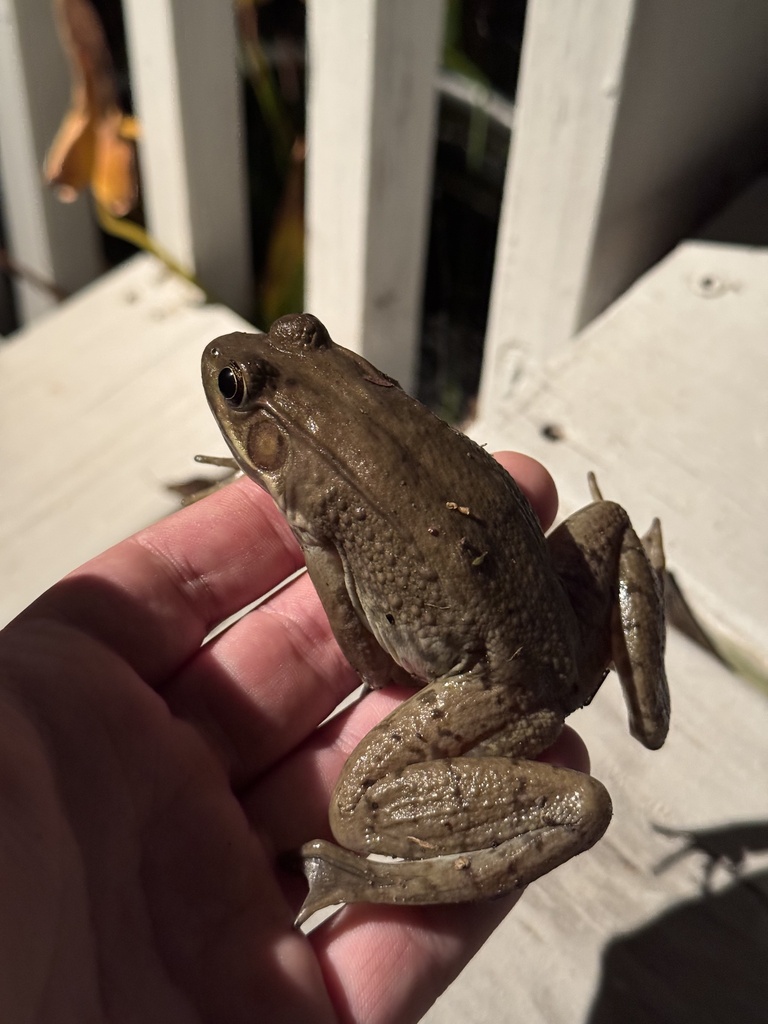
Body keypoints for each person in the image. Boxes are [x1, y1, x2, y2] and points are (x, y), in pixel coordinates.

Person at [0, 453, 588, 1023]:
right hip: (555, 637)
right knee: (598, 523)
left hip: (498, 683)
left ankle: (378, 881)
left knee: (357, 812)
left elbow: (375, 667)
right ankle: (648, 707)